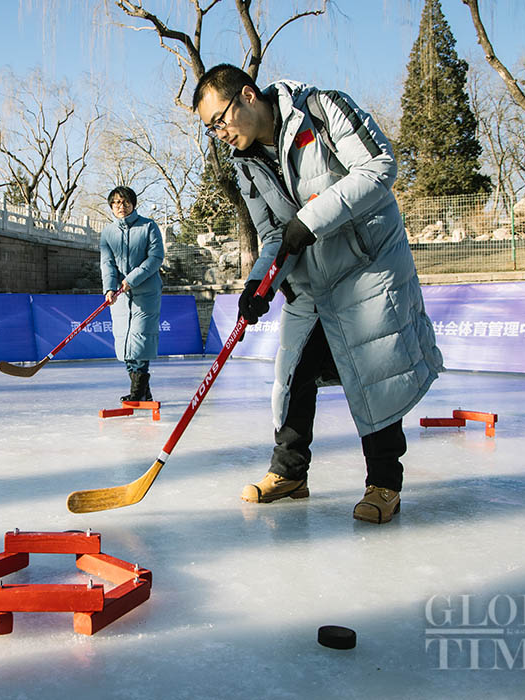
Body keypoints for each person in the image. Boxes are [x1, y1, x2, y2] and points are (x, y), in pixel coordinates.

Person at [192, 64, 443, 524]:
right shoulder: (245, 164)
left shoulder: (322, 110)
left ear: (248, 96)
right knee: (293, 373)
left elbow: (379, 166)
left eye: (220, 119)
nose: (219, 133)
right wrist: (256, 282)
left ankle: (384, 482)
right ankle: (289, 473)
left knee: (374, 371)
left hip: (368, 266)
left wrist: (307, 222)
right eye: (210, 128)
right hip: (312, 279)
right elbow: (273, 235)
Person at [99, 185, 165, 403]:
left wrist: (132, 279)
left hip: (145, 293)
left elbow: (155, 258)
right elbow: (107, 263)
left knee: (139, 340)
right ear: (111, 206)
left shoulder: (148, 226)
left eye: (125, 202)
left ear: (133, 204)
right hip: (120, 295)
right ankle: (142, 391)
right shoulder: (108, 232)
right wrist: (110, 288)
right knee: (125, 344)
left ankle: (137, 392)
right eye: (116, 202)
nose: (121, 206)